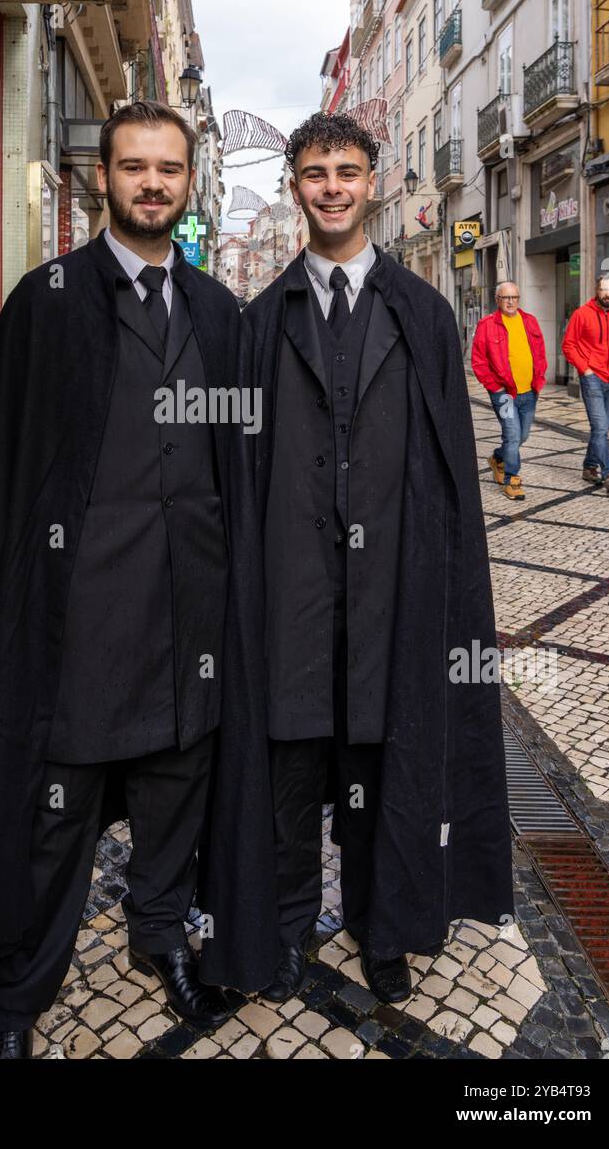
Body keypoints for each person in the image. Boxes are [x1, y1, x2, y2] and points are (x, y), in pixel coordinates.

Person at [0, 101, 242, 1057]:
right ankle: (15, 1006)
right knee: (51, 827)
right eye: (134, 166)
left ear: (187, 183)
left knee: (175, 809)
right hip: (78, 629)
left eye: (169, 168)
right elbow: (0, 475)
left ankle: (161, 936)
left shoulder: (217, 312)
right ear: (104, 177)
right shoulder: (47, 301)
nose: (152, 183)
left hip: (190, 627)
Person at [200, 111, 514, 1006]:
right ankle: (286, 926)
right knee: (290, 769)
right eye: (314, 173)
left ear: (372, 183)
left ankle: (386, 927)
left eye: (346, 172)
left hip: (395, 590)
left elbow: (451, 476)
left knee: (387, 765)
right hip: (292, 591)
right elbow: (237, 471)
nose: (331, 188)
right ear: (296, 187)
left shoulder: (424, 315)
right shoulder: (261, 322)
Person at [471, 283, 547, 501]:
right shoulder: (487, 325)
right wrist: (495, 387)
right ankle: (512, 480)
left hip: (529, 391)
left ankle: (498, 458)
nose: (511, 301)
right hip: (503, 393)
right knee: (512, 435)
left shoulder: (530, 321)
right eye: (506, 298)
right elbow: (478, 361)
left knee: (522, 435)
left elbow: (540, 353)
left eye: (515, 297)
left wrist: (539, 377)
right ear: (498, 300)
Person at [562, 275, 609, 493]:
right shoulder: (582, 314)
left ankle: (589, 467)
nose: (608, 294)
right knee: (600, 427)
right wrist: (585, 369)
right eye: (604, 289)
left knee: (602, 428)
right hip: (592, 377)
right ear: (597, 290)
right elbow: (568, 345)